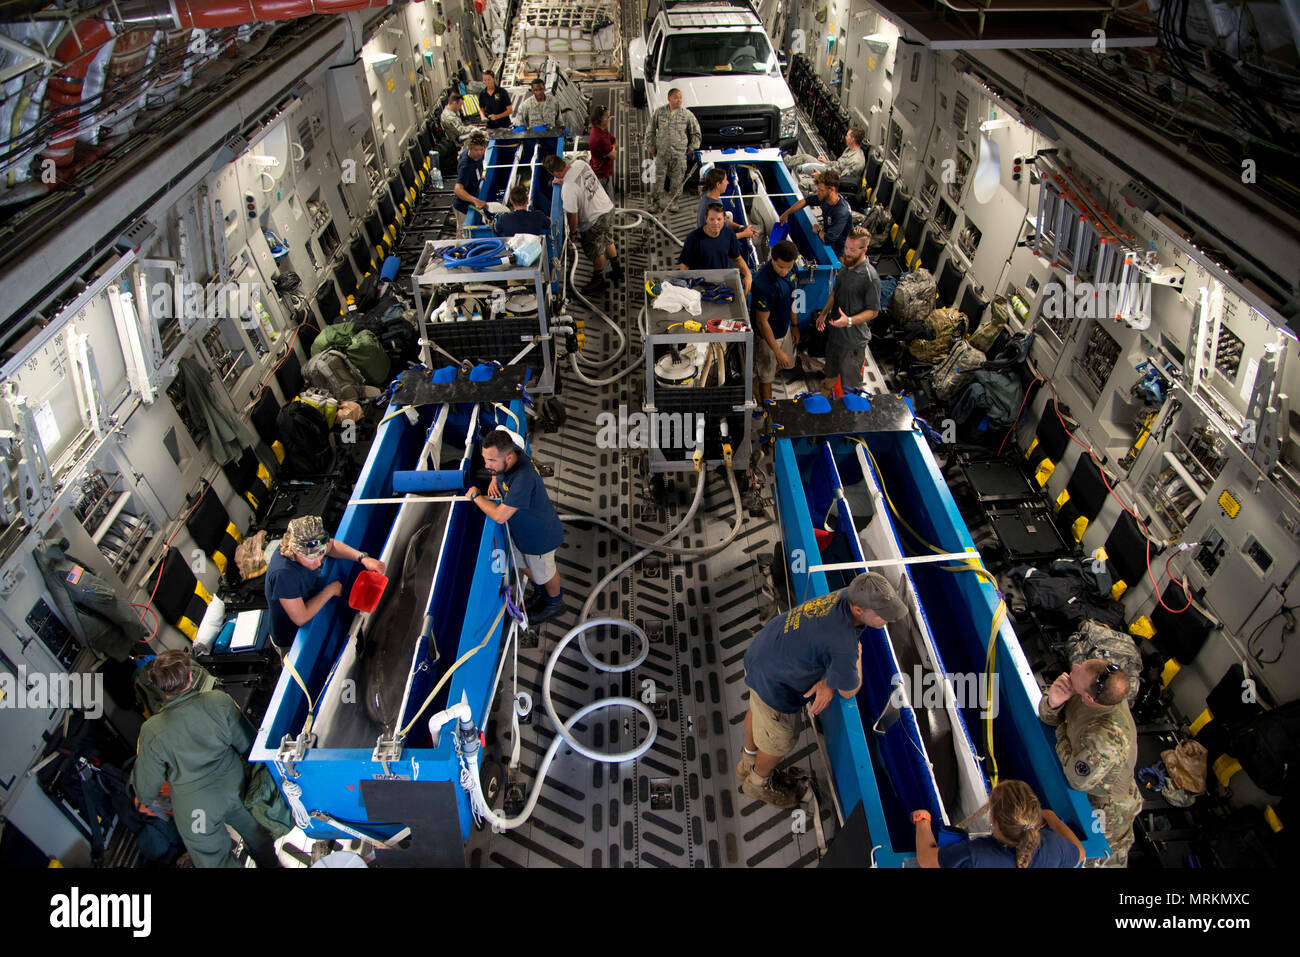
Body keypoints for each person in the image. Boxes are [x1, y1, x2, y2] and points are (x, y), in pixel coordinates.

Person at [738, 573, 908, 808]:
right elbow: (849, 690)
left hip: (761, 652)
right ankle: (758, 781)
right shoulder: (845, 643)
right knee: (779, 739)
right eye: (881, 615)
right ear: (858, 610)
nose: (887, 619)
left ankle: (748, 758)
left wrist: (827, 681)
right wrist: (857, 652)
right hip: (775, 686)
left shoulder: (845, 594)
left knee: (758, 710)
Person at [132, 649, 280, 868]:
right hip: (235, 788)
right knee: (259, 838)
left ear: (158, 687)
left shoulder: (151, 730)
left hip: (196, 809)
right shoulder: (218, 702)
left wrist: (144, 799)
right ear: (191, 676)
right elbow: (249, 745)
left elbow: (146, 788)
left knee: (216, 861)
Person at [1039, 657, 1142, 867]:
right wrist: (1053, 703)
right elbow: (1049, 716)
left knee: (1095, 859)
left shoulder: (1108, 739)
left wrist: (1061, 731)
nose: (1074, 668)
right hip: (1087, 778)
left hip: (1105, 808)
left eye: (1079, 670)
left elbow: (1077, 779)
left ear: (1089, 699)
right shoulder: (1085, 686)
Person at [467, 429, 566, 623]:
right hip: (522, 532)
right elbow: (500, 436)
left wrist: (474, 496)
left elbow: (499, 516)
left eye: (492, 462)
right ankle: (541, 592)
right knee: (524, 564)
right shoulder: (511, 450)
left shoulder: (523, 478)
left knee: (545, 572)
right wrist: (495, 477)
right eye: (485, 460)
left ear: (509, 457)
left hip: (539, 537)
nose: (487, 466)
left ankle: (555, 603)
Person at [263, 515, 385, 648]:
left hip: (306, 595)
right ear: (294, 550)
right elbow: (301, 618)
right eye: (310, 558)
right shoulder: (283, 575)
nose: (318, 562)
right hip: (290, 637)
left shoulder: (310, 544)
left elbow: (331, 546)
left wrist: (363, 558)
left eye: (320, 554)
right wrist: (330, 590)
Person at [914, 780, 1086, 868]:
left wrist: (923, 820)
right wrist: (1052, 818)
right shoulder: (1054, 846)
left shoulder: (975, 855)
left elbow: (925, 858)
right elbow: (1080, 852)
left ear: (993, 820)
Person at [542, 153, 623, 295]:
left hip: (594, 221)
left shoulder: (568, 189)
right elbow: (580, 182)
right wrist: (564, 182)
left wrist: (573, 233)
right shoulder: (581, 164)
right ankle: (617, 270)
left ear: (554, 172)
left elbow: (572, 215)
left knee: (596, 251)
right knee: (608, 240)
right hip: (607, 209)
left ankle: (599, 280)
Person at [815, 226, 880, 393]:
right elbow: (835, 292)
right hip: (835, 337)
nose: (847, 252)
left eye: (852, 249)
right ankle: (821, 408)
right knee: (829, 377)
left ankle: (851, 416)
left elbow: (873, 311)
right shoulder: (845, 267)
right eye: (846, 247)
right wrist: (823, 314)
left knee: (851, 388)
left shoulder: (870, 277)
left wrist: (849, 321)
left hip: (852, 343)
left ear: (864, 249)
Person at [750, 240, 800, 402]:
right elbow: (761, 322)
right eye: (780, 267)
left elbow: (794, 297)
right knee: (766, 378)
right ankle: (767, 412)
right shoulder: (763, 284)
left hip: (783, 328)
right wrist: (777, 352)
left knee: (778, 366)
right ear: (773, 259)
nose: (785, 271)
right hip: (766, 337)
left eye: (788, 267)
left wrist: (795, 325)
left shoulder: (793, 269)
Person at [643, 87, 700, 215]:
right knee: (658, 178)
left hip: (679, 154)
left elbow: (696, 133)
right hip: (662, 153)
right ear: (669, 99)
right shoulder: (659, 113)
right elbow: (650, 131)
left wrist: (691, 147)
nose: (679, 100)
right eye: (676, 97)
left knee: (677, 179)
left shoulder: (687, 115)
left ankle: (673, 202)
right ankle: (655, 202)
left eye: (680, 97)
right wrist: (651, 147)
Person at [779, 169, 852, 260]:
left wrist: (818, 230)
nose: (818, 192)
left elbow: (828, 239)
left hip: (840, 251)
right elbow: (805, 201)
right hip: (829, 236)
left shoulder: (841, 212)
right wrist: (786, 213)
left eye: (821, 190)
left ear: (832, 190)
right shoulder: (824, 198)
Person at [679, 203, 753, 293]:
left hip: (720, 284)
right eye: (712, 219)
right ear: (706, 219)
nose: (715, 223)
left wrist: (748, 275)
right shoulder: (693, 238)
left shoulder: (729, 234)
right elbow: (684, 266)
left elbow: (737, 259)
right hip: (699, 286)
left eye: (719, 219)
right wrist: (687, 290)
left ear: (724, 219)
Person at [786, 126, 867, 194]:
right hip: (828, 170)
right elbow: (839, 164)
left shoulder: (856, 161)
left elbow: (841, 181)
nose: (845, 137)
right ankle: (784, 160)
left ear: (852, 139)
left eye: (847, 136)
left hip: (830, 184)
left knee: (803, 184)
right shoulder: (849, 149)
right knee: (805, 157)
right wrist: (827, 162)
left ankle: (806, 205)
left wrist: (821, 176)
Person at [696, 167, 757, 239]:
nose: (727, 182)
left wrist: (740, 228)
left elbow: (724, 222)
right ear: (718, 184)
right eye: (725, 180)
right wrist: (744, 234)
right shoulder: (714, 209)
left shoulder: (709, 194)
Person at [452, 130, 490, 234]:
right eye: (476, 150)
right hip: (462, 207)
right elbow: (457, 189)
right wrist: (475, 201)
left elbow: (459, 157)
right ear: (470, 147)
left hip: (471, 196)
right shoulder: (466, 166)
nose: (479, 153)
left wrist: (478, 177)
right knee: (463, 235)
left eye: (482, 150)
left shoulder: (478, 156)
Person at [588, 104, 617, 198]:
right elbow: (614, 156)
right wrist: (613, 149)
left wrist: (611, 148)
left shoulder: (599, 130)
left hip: (603, 173)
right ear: (601, 120)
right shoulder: (600, 138)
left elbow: (615, 141)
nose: (610, 119)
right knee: (607, 202)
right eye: (608, 117)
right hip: (602, 176)